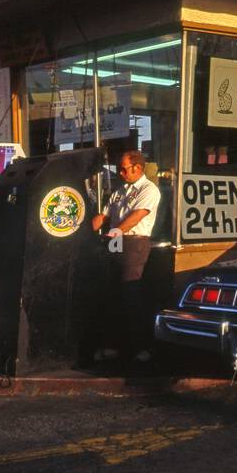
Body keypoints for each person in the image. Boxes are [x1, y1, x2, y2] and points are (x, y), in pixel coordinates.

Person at [91, 150, 160, 365]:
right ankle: (113, 346)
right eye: (119, 168)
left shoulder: (149, 190)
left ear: (137, 168)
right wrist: (88, 230)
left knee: (131, 293)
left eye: (123, 168)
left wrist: (116, 231)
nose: (120, 172)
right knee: (111, 293)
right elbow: (104, 215)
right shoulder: (119, 191)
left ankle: (142, 347)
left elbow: (137, 216)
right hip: (116, 239)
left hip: (133, 241)